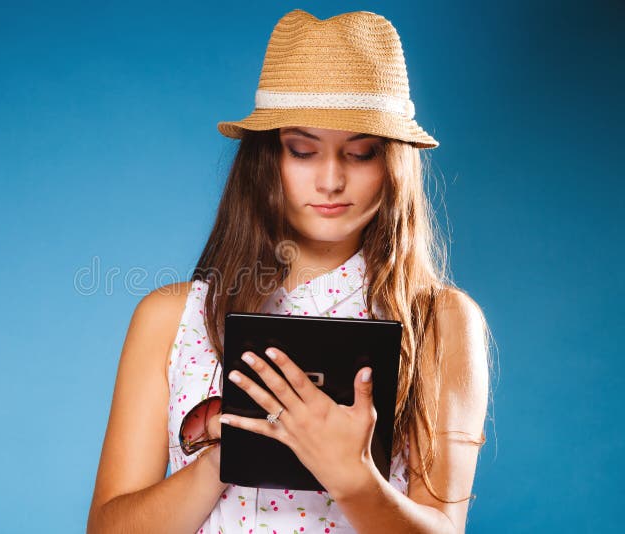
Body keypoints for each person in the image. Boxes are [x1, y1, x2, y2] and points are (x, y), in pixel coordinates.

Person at [86, 9, 491, 534]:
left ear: (393, 164)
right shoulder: (171, 317)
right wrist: (225, 457)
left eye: (361, 153)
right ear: (264, 159)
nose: (330, 180)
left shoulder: (439, 320)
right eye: (302, 150)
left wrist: (352, 477)